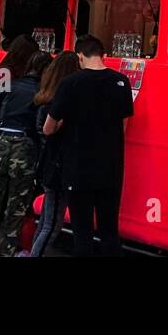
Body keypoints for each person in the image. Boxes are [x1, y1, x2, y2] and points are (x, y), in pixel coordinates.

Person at [45, 36, 134, 256]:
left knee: (82, 233)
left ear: (80, 57)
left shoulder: (71, 83)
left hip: (78, 168)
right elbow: (124, 125)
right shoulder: (121, 81)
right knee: (109, 232)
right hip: (111, 168)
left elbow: (49, 126)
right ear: (102, 55)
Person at [0, 37, 44, 257]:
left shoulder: (7, 79)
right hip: (23, 148)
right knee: (16, 210)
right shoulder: (39, 92)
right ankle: (7, 252)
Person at [29, 50, 82, 256]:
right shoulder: (62, 102)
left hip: (48, 166)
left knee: (46, 221)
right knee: (51, 225)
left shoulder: (45, 98)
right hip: (59, 169)